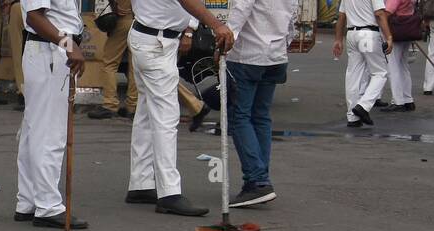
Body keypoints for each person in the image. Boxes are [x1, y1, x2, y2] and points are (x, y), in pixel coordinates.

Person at [125, 0, 234, 216]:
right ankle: (169, 193)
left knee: (146, 114)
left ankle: (141, 182)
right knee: (166, 118)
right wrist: (217, 25)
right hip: (156, 41)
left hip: (148, 36)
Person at [17, 0, 89, 227]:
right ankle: (47, 205)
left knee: (34, 128)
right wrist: (68, 43)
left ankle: (28, 200)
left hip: (50, 49)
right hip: (50, 50)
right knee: (50, 131)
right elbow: (34, 17)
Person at [224, 0, 297, 207]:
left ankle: (257, 180)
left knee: (239, 118)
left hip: (247, 56)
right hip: (276, 56)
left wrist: (225, 41)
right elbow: (292, 19)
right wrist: (283, 45)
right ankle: (258, 179)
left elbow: (241, 10)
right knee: (261, 117)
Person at [335, 0, 393, 127]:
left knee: (353, 75)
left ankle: (352, 116)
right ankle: (363, 105)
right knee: (380, 73)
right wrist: (389, 37)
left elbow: (341, 16)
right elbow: (379, 14)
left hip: (351, 34)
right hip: (368, 34)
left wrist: (338, 39)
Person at [89, 0, 136, 118]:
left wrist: (113, 4)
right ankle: (133, 105)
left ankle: (110, 104)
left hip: (124, 18)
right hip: (140, 22)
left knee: (110, 63)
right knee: (134, 66)